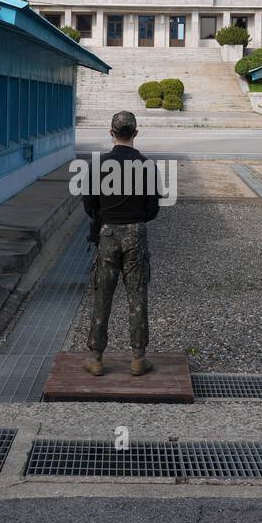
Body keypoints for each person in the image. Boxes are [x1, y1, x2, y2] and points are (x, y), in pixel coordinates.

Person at [82, 111, 160, 376]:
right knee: (137, 294)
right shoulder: (147, 166)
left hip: (107, 234)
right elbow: (152, 210)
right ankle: (138, 358)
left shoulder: (98, 165)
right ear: (136, 133)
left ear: (111, 133)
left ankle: (96, 359)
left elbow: (88, 205)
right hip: (136, 233)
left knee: (102, 294)